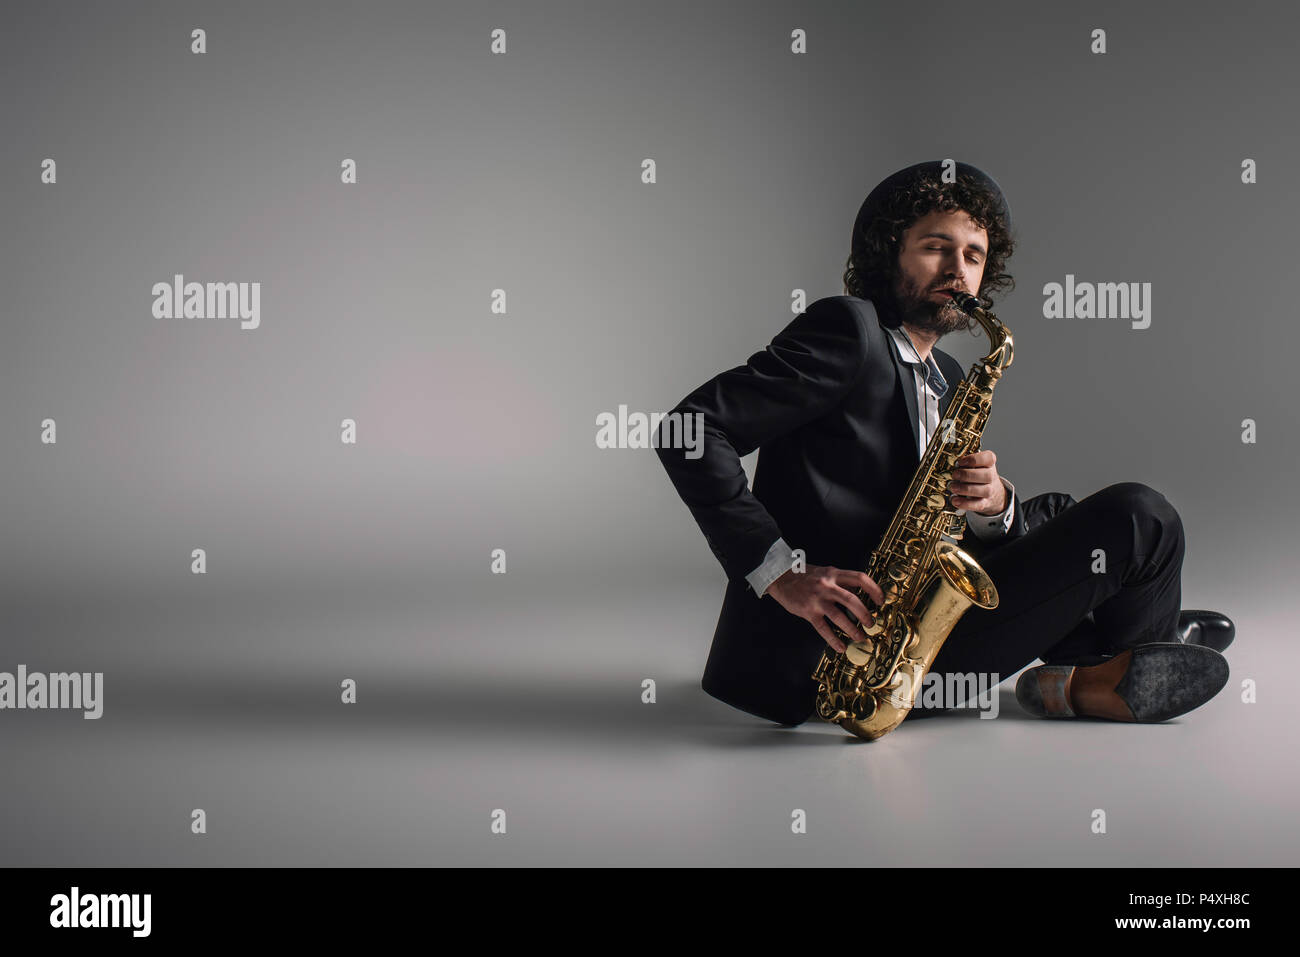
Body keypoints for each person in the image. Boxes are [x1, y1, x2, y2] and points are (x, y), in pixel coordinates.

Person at [654, 160, 1233, 729]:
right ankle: (1120, 658)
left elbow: (936, 515)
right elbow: (692, 430)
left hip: (913, 610)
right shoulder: (850, 330)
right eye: (937, 247)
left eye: (974, 256)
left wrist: (992, 505)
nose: (959, 270)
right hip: (856, 652)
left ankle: (1103, 660)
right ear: (889, 252)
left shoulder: (950, 373)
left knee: (1047, 510)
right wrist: (780, 574)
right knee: (1141, 518)